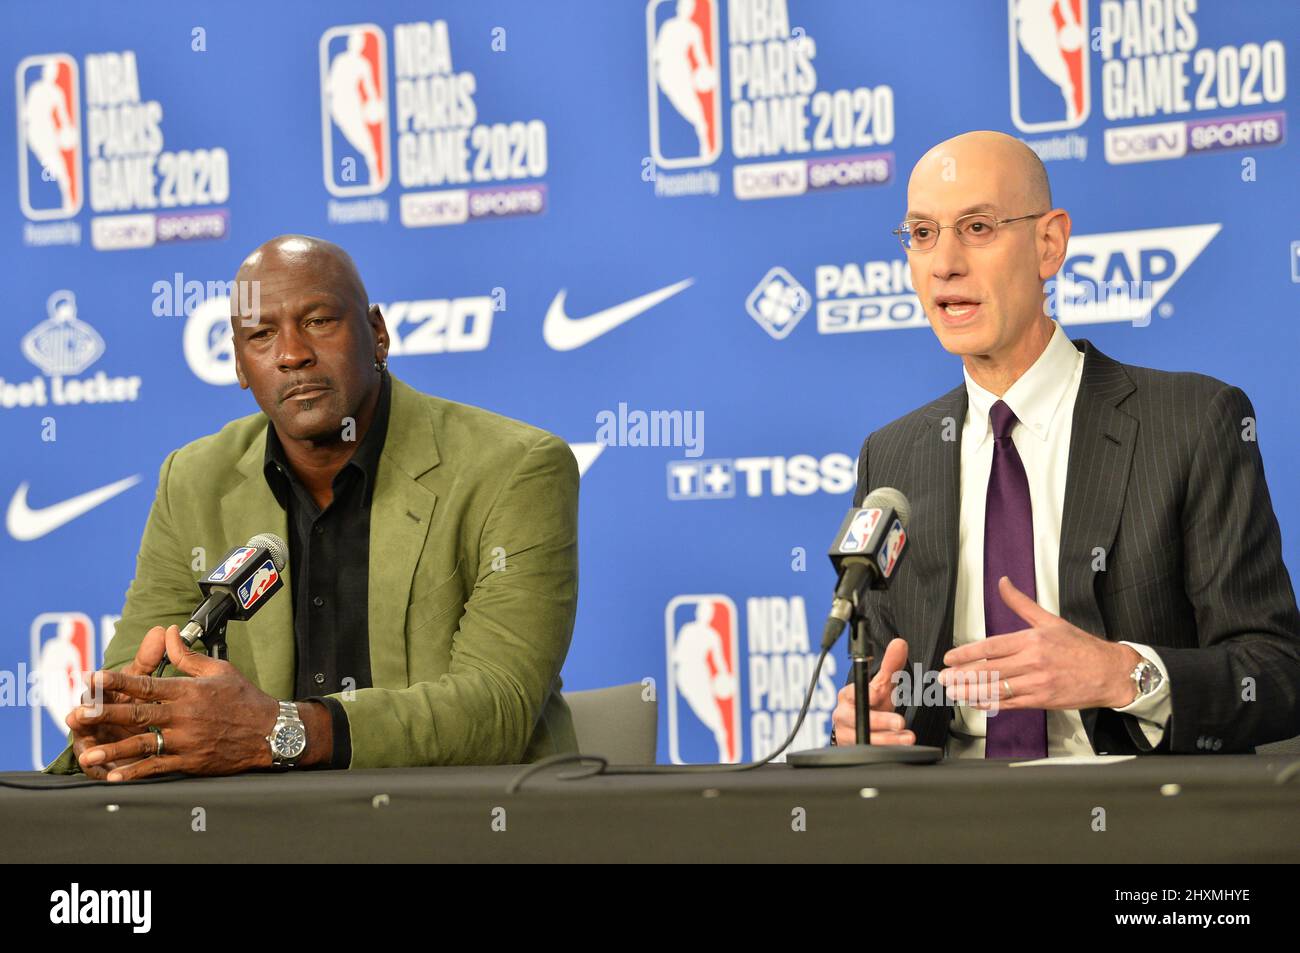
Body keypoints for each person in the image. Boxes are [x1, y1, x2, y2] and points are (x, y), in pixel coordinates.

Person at [832, 130, 1300, 757]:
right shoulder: (893, 457)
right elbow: (896, 683)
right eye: (922, 234)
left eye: (976, 228)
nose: (944, 262)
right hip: (948, 827)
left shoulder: (1192, 423)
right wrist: (873, 720)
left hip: (1134, 824)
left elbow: (1274, 673)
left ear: (1048, 244)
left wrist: (1120, 674)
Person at [46, 234, 579, 779]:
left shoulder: (514, 468)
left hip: (467, 825)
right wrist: (127, 720)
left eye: (319, 321)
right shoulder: (194, 481)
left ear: (377, 334)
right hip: (271, 835)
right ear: (238, 365)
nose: (291, 353)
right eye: (260, 335)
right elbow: (134, 677)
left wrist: (284, 730)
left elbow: (498, 705)